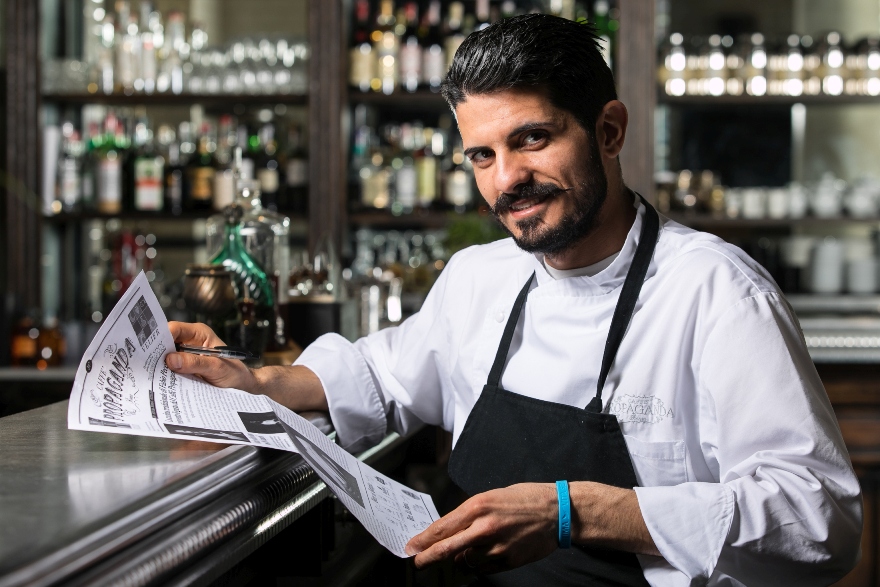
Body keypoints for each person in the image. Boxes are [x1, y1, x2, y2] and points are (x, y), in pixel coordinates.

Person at [165, 14, 862, 586]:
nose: (507, 180)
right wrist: (258, 381)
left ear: (610, 130)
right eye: (483, 155)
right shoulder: (481, 276)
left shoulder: (717, 292)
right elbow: (382, 374)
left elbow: (819, 519)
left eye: (532, 139)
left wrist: (574, 511)